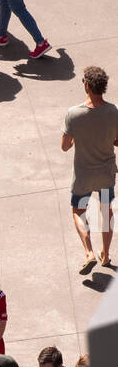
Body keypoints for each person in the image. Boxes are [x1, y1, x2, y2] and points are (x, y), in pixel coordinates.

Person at [62, 65, 118, 273]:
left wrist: (80, 136)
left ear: (86, 85)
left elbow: (65, 146)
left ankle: (89, 252)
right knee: (106, 211)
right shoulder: (114, 111)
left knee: (78, 210)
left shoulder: (74, 114)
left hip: (83, 175)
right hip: (106, 173)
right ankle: (106, 254)